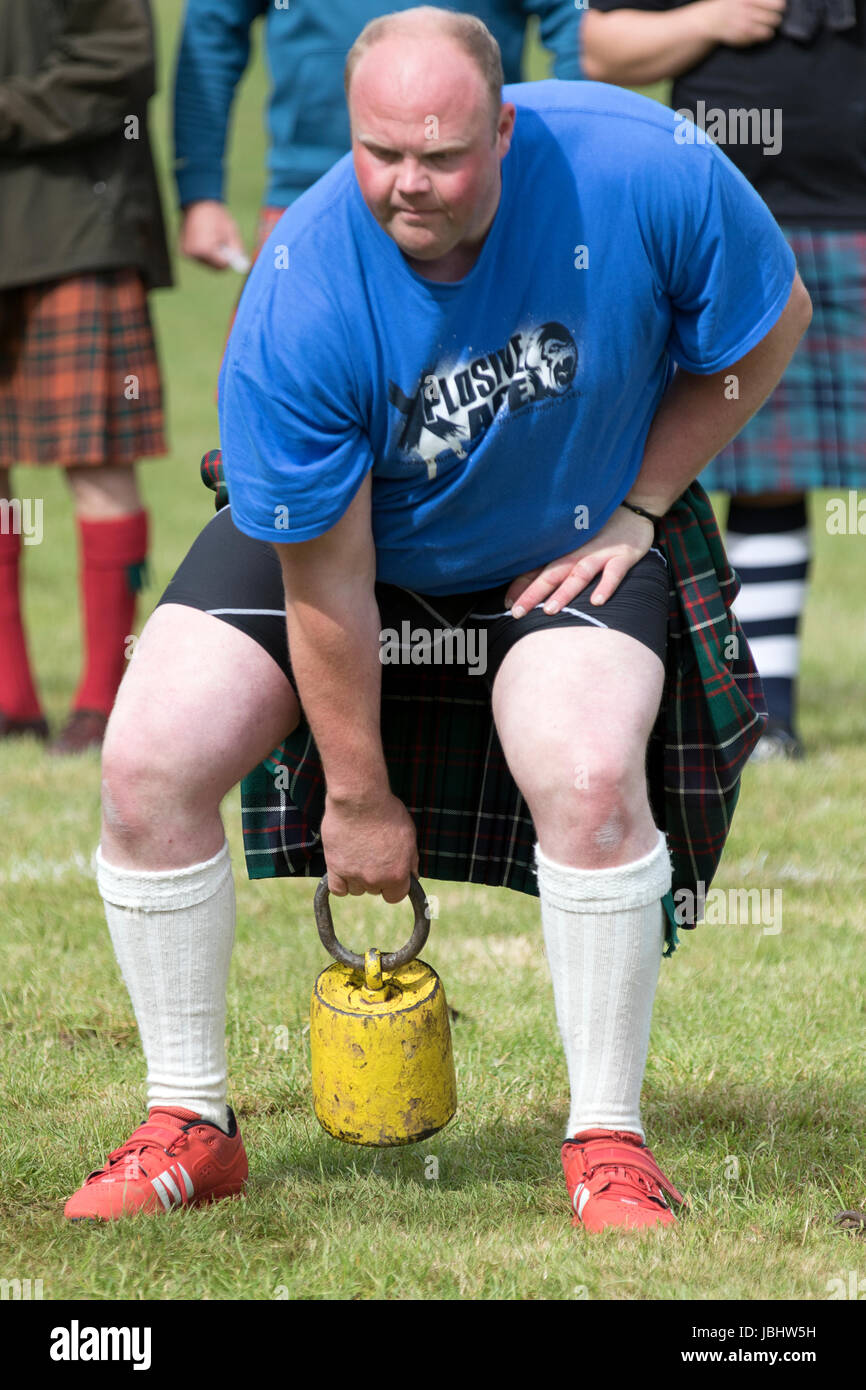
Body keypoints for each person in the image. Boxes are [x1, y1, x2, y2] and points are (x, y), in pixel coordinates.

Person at [64, 7, 811, 1231]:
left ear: (504, 127)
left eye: (443, 155)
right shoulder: (300, 291)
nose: (408, 186)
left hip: (563, 532)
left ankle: (607, 1142)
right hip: (353, 547)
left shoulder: (642, 168)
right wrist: (354, 797)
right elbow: (327, 586)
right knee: (147, 756)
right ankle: (189, 1118)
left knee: (584, 773)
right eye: (380, 154)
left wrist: (641, 504)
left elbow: (762, 323)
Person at [581, 0, 866, 759]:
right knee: (769, 476)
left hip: (856, 212)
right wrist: (710, 18)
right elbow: (601, 49)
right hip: (738, 212)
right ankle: (769, 717)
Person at [0, 0, 171, 753]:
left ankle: (103, 699)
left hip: (75, 218)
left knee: (97, 458)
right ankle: (10, 701)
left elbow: (123, 57)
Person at [174, 0, 586, 277]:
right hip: (303, 193)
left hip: (471, 207)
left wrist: (566, 161)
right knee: (288, 383)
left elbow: (573, 19)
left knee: (488, 391)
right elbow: (210, 31)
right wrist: (201, 191)